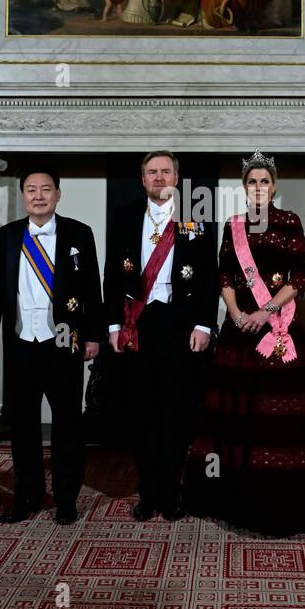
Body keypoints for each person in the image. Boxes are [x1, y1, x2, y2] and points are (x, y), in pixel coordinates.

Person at [181, 153, 305, 540]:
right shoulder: (233, 225)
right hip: (238, 331)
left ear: (274, 186)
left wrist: (264, 313)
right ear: (244, 187)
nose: (259, 188)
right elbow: (225, 274)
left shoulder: (289, 222)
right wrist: (233, 313)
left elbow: (299, 277)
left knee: (278, 413)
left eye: (265, 181)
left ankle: (285, 502)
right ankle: (232, 499)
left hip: (278, 330)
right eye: (252, 182)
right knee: (236, 413)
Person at [0, 169, 104, 525]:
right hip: (19, 341)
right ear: (23, 196)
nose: (39, 196)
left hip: (63, 339)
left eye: (46, 189)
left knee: (67, 424)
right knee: (22, 426)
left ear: (58, 194)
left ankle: (66, 497)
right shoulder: (6, 237)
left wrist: (94, 335)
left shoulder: (79, 233)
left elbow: (92, 289)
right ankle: (28, 495)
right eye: (31, 190)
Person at [105, 151, 217, 521]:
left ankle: (171, 492)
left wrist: (204, 324)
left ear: (177, 177)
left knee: (176, 412)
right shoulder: (124, 216)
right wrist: (112, 326)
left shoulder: (195, 218)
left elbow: (208, 277)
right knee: (141, 412)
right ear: (142, 179)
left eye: (165, 171)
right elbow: (111, 276)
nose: (158, 177)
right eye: (152, 172)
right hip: (137, 325)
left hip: (180, 325)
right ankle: (148, 491)